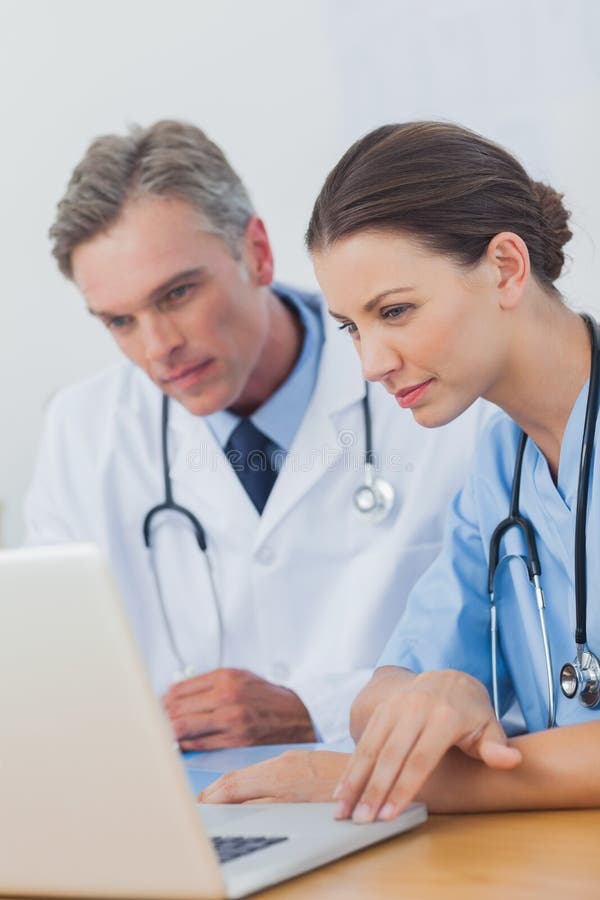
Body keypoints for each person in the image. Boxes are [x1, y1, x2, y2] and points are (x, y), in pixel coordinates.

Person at [25, 120, 486, 749]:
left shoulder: (437, 386)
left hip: (406, 795)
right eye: (120, 321)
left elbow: (514, 656)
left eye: (178, 293)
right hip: (196, 812)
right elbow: (53, 671)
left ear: (258, 253)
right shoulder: (84, 432)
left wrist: (316, 709)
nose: (159, 348)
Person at [198, 121, 600, 809]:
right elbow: (384, 690)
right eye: (353, 327)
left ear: (505, 267)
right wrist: (432, 694)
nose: (371, 363)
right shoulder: (501, 471)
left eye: (396, 311)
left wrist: (356, 781)